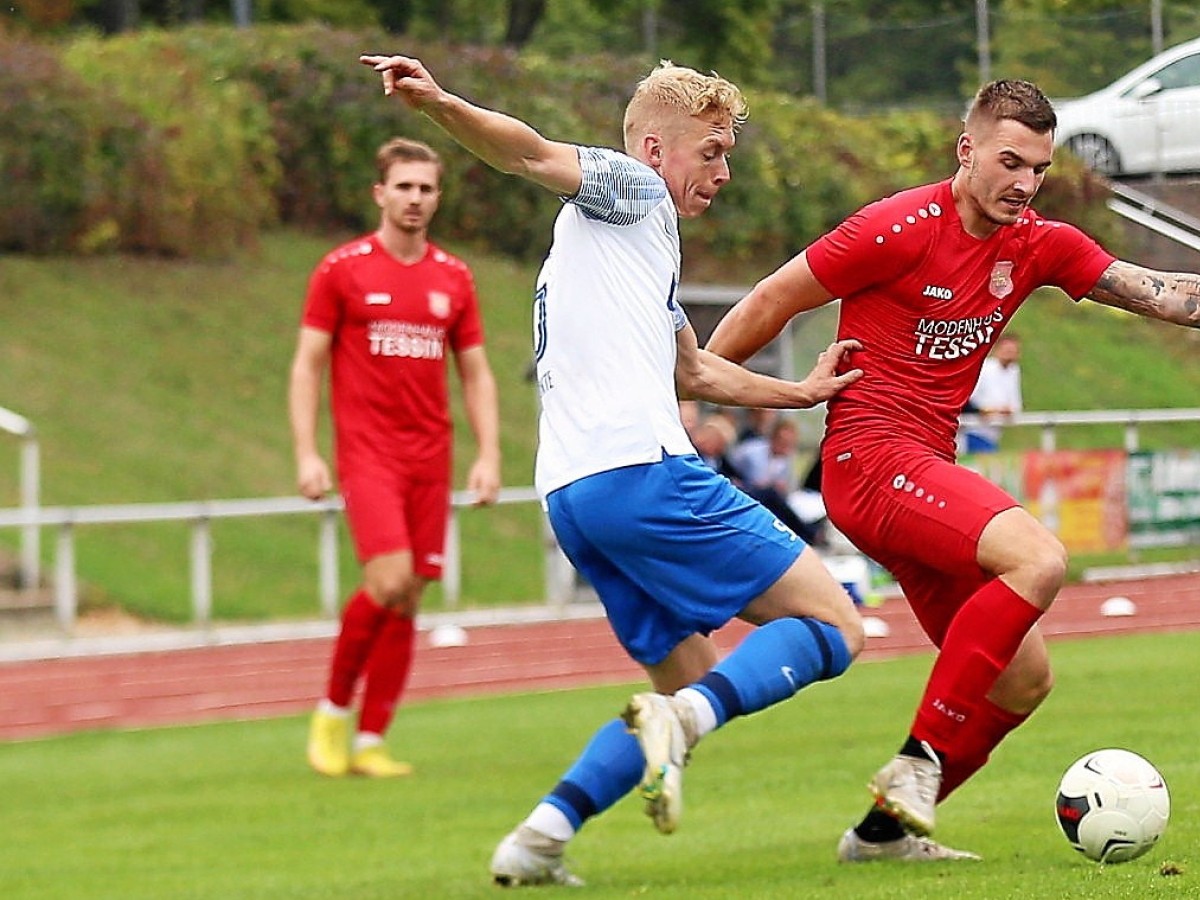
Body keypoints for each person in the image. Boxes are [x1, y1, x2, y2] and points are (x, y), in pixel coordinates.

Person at [706, 79, 1200, 863]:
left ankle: (881, 836)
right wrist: (698, 389)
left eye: (1039, 170)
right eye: (1009, 162)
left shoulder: (1037, 244)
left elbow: (1161, 293)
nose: (1023, 184)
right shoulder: (896, 227)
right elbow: (770, 302)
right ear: (968, 150)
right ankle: (919, 762)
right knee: (1039, 557)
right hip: (868, 461)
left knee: (1022, 681)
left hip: (925, 470)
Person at [357, 53, 867, 887]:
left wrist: (801, 391)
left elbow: (695, 373)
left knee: (690, 687)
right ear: (656, 150)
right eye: (711, 152)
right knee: (837, 625)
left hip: (574, 498)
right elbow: (526, 152)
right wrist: (440, 102)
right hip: (644, 475)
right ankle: (679, 728)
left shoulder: (622, 252)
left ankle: (539, 837)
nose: (724, 172)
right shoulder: (631, 187)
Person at [290, 137, 503, 779]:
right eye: (404, 187)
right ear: (380, 193)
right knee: (387, 581)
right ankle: (331, 711)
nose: (415, 199)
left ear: (438, 197)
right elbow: (307, 364)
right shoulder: (341, 270)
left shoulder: (453, 276)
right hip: (368, 453)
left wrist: (488, 452)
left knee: (409, 596)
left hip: (429, 455)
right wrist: (307, 452)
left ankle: (370, 740)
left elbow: (476, 373)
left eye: (426, 188)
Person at [961, 332, 1022, 453]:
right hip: (974, 430)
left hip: (994, 432)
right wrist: (985, 410)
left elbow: (1015, 401)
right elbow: (968, 398)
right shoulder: (985, 368)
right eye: (1007, 350)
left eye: (1013, 351)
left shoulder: (1013, 370)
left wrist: (1009, 410)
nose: (1010, 354)